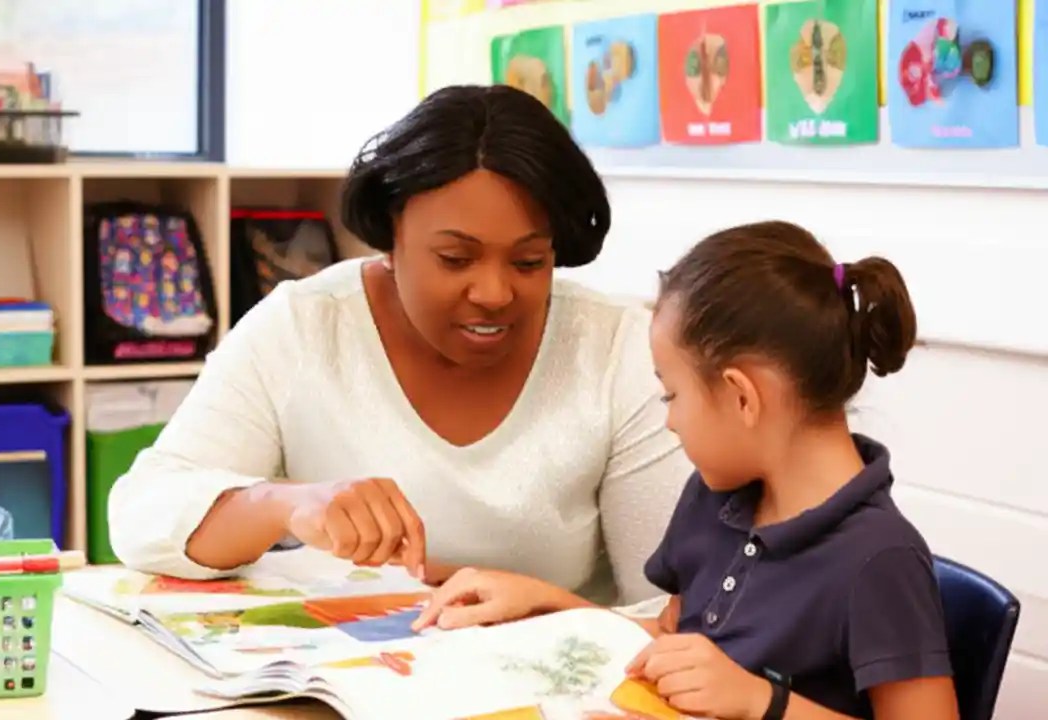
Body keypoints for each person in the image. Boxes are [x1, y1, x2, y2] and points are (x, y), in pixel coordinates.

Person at [107, 84, 691, 606]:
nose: (493, 292)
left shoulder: (620, 349)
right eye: (455, 259)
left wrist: (544, 607)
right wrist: (282, 503)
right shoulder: (303, 327)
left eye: (529, 262)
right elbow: (141, 516)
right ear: (390, 236)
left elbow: (677, 608)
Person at [413, 221, 959, 720]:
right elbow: (670, 641)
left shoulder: (880, 560)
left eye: (672, 394)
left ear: (742, 397)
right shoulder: (715, 500)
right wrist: (543, 602)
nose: (669, 420)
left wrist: (760, 701)